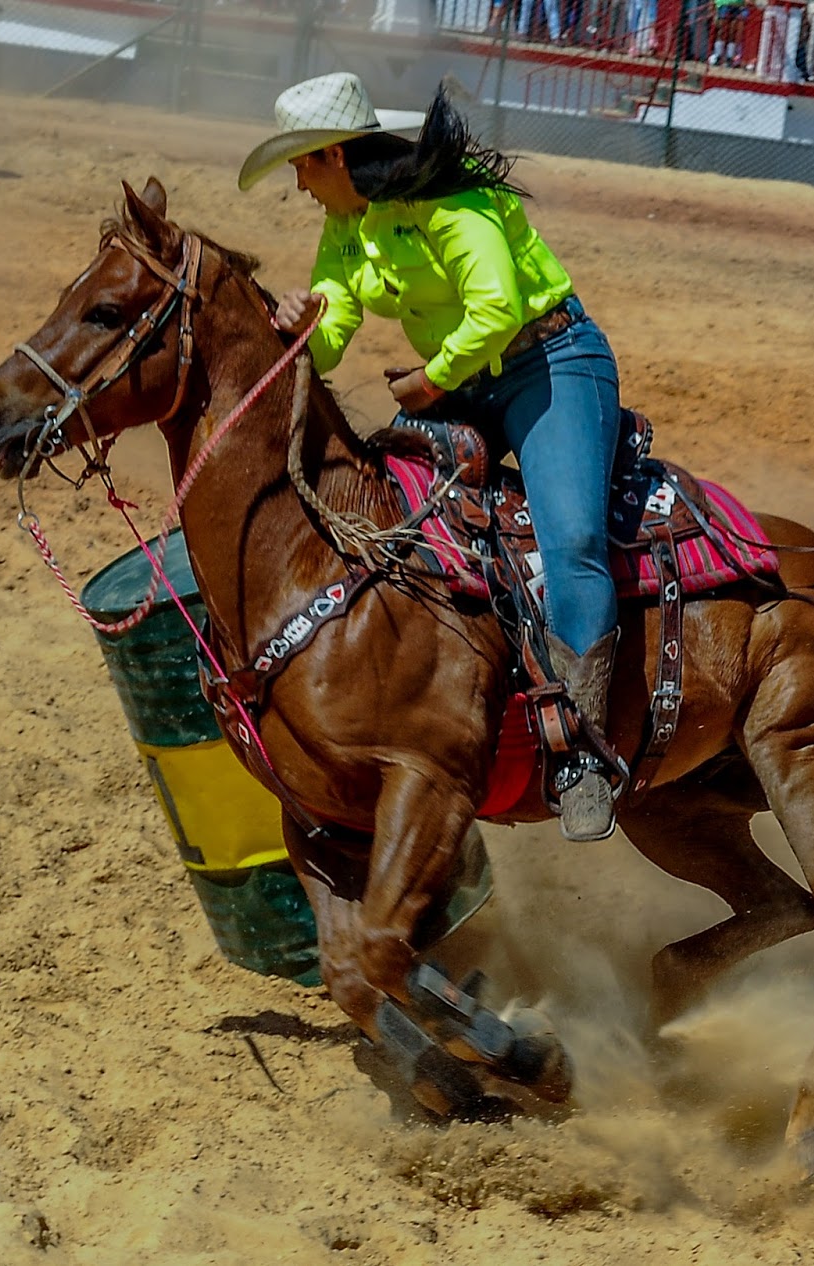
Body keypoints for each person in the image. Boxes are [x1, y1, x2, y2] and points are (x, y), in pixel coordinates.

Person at [238, 74, 623, 841]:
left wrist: (433, 378)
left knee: (572, 539)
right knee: (394, 524)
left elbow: (499, 306)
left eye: (302, 164)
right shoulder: (349, 223)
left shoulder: (451, 201)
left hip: (551, 365)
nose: (298, 181)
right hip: (463, 382)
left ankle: (582, 752)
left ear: (336, 155)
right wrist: (295, 325)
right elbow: (333, 325)